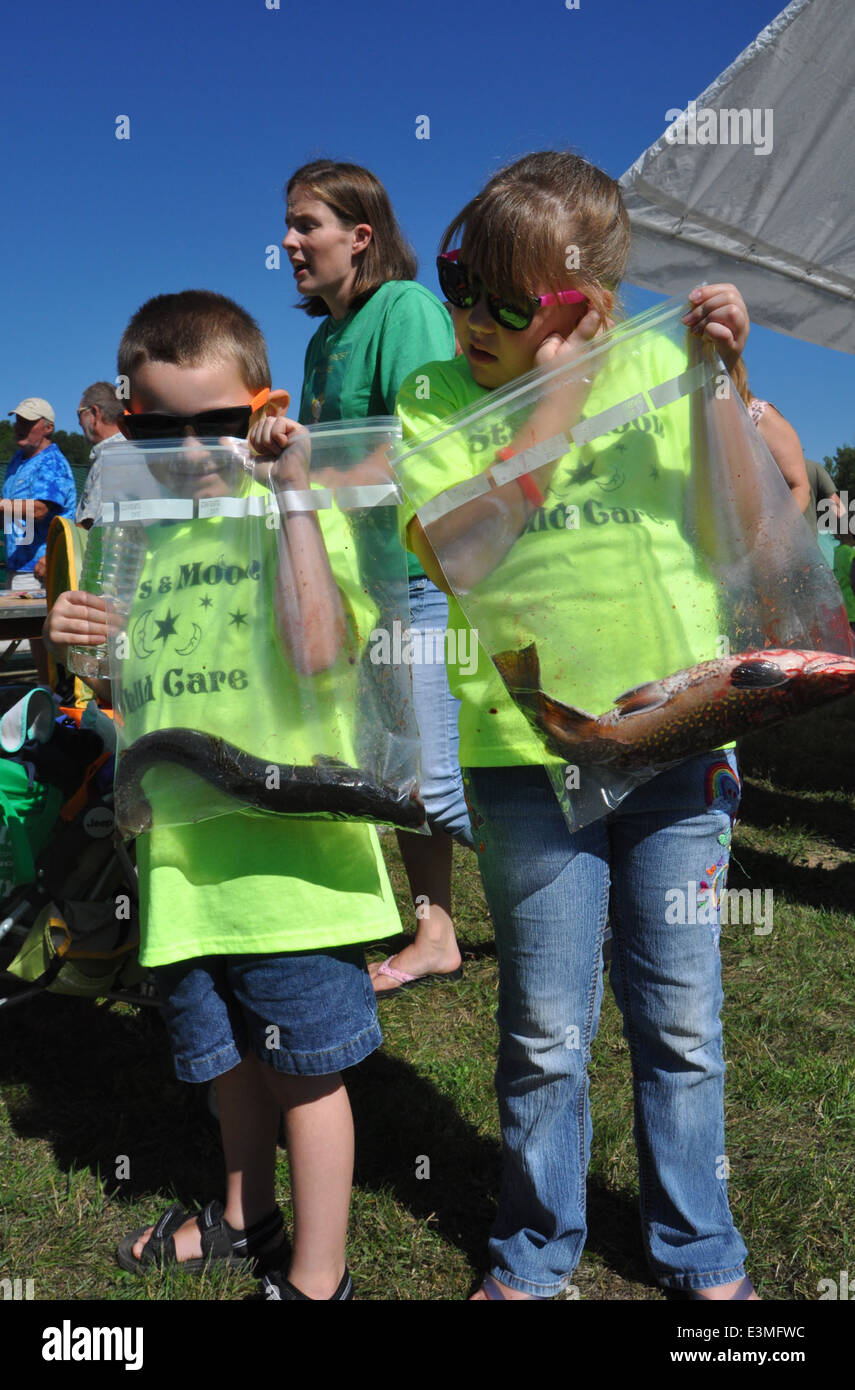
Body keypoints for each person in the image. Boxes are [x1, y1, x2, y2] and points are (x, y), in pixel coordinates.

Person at [393, 151, 759, 1300]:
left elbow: (742, 528)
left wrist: (720, 387)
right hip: (528, 756)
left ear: (587, 303)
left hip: (676, 737)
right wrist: (554, 382)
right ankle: (534, 1246)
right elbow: (460, 549)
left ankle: (697, 1249)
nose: (468, 318)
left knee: (681, 1019)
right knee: (546, 1030)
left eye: (505, 303)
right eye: (460, 283)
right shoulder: (436, 395)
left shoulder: (657, 361)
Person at [44, 290, 402, 1301]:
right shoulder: (150, 546)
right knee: (225, 1068)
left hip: (293, 869)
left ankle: (319, 1275)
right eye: (162, 427)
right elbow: (121, 685)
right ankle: (247, 1217)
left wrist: (290, 492)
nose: (192, 449)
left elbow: (321, 651)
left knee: (305, 1076)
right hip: (187, 868)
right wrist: (62, 635)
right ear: (126, 426)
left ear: (265, 408)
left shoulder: (300, 516)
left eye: (219, 423)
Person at [283, 160, 473, 995]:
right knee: (399, 774)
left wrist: (305, 478)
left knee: (436, 778)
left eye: (306, 225)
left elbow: (426, 441)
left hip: (423, 575)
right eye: (288, 226)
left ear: (361, 235)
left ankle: (588, 879)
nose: (288, 242)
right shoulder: (322, 339)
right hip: (361, 588)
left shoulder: (406, 309)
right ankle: (434, 930)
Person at [0, 398, 76, 589]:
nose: (19, 427)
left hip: (41, 571)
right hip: (16, 567)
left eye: (28, 422)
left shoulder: (52, 462)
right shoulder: (17, 461)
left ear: (48, 428)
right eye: (18, 421)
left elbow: (40, 511)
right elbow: (12, 513)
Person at [729, 363, 811, 517]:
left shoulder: (758, 414)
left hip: (758, 534)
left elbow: (800, 488)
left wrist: (773, 538)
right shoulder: (699, 420)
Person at [76, 382, 126, 527]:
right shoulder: (128, 449)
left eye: (79, 413)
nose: (78, 422)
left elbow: (88, 526)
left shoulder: (111, 457)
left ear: (95, 413)